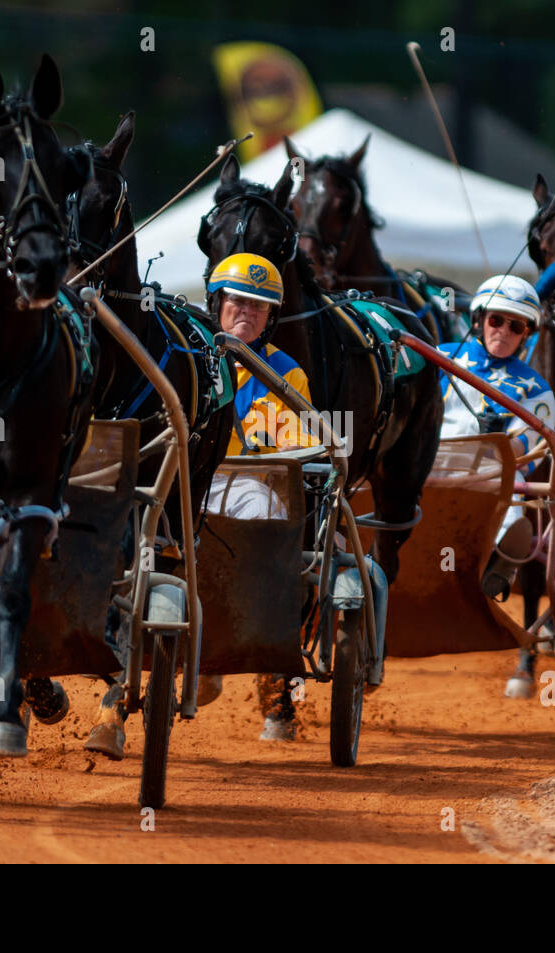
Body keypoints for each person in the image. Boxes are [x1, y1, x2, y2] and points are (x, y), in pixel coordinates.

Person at [207, 253, 321, 742]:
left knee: (262, 513)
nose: (246, 312)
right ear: (217, 302)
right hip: (190, 483)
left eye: (259, 306)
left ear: (271, 316)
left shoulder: (287, 373)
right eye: (238, 300)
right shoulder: (191, 355)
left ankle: (272, 676)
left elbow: (296, 446)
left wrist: (277, 446)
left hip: (250, 487)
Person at [438, 274, 555, 700]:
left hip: (495, 476)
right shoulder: (439, 358)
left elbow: (533, 445)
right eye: (496, 320)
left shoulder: (535, 388)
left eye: (515, 325)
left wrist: (501, 444)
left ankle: (498, 569)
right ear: (479, 319)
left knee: (513, 507)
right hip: (431, 467)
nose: (503, 331)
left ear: (527, 334)